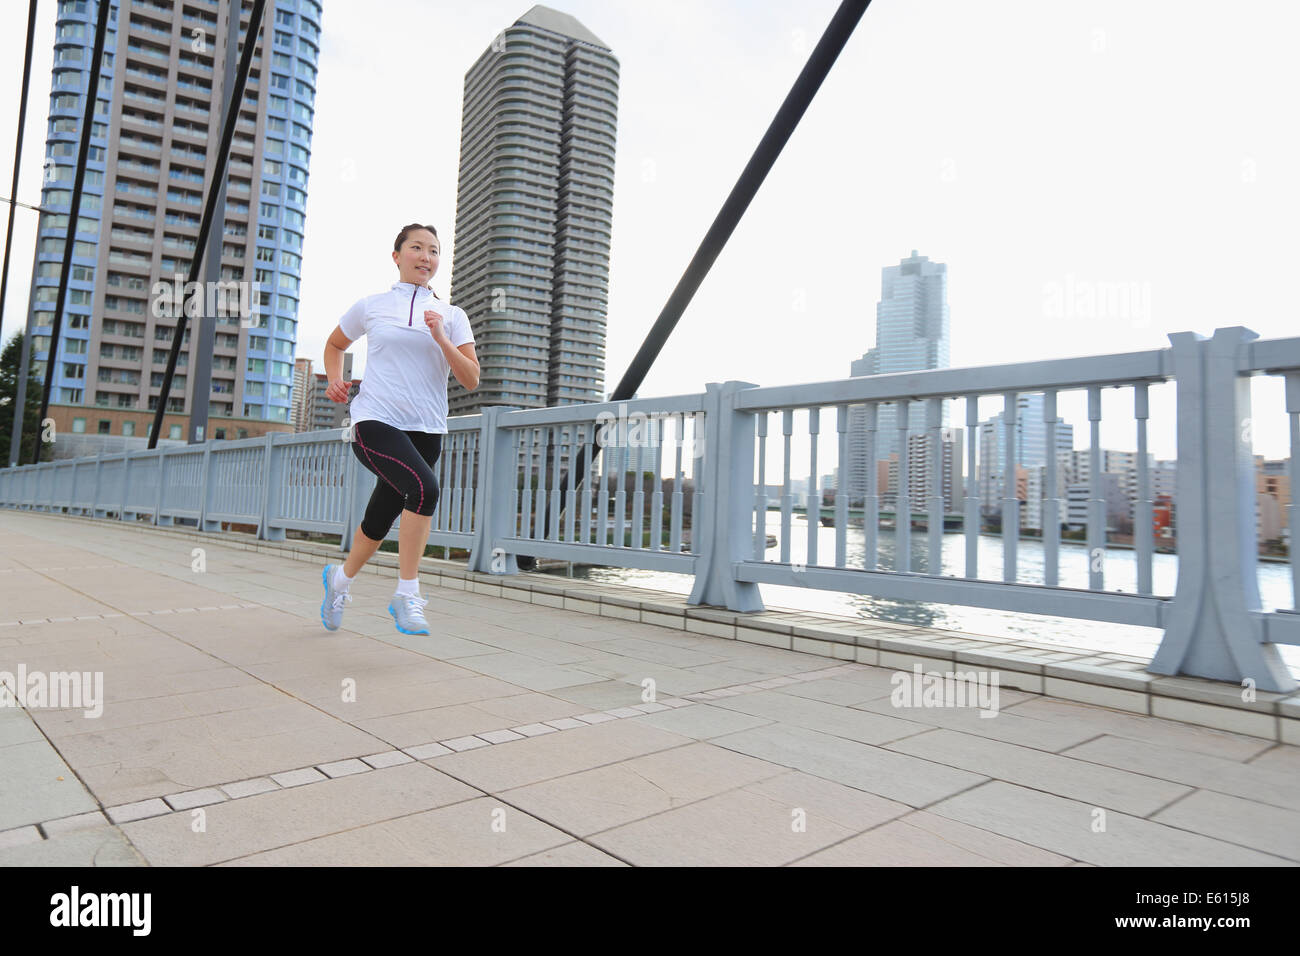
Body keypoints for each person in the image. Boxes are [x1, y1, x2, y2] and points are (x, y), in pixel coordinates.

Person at [319, 222, 479, 635]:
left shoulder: (453, 315)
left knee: (380, 517)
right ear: (397, 255)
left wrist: (441, 338)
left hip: (426, 429)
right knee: (425, 489)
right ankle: (407, 594)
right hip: (375, 419)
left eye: (434, 250)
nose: (426, 256)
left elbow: (471, 378)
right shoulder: (371, 305)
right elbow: (335, 344)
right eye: (416, 248)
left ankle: (338, 581)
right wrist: (334, 378)